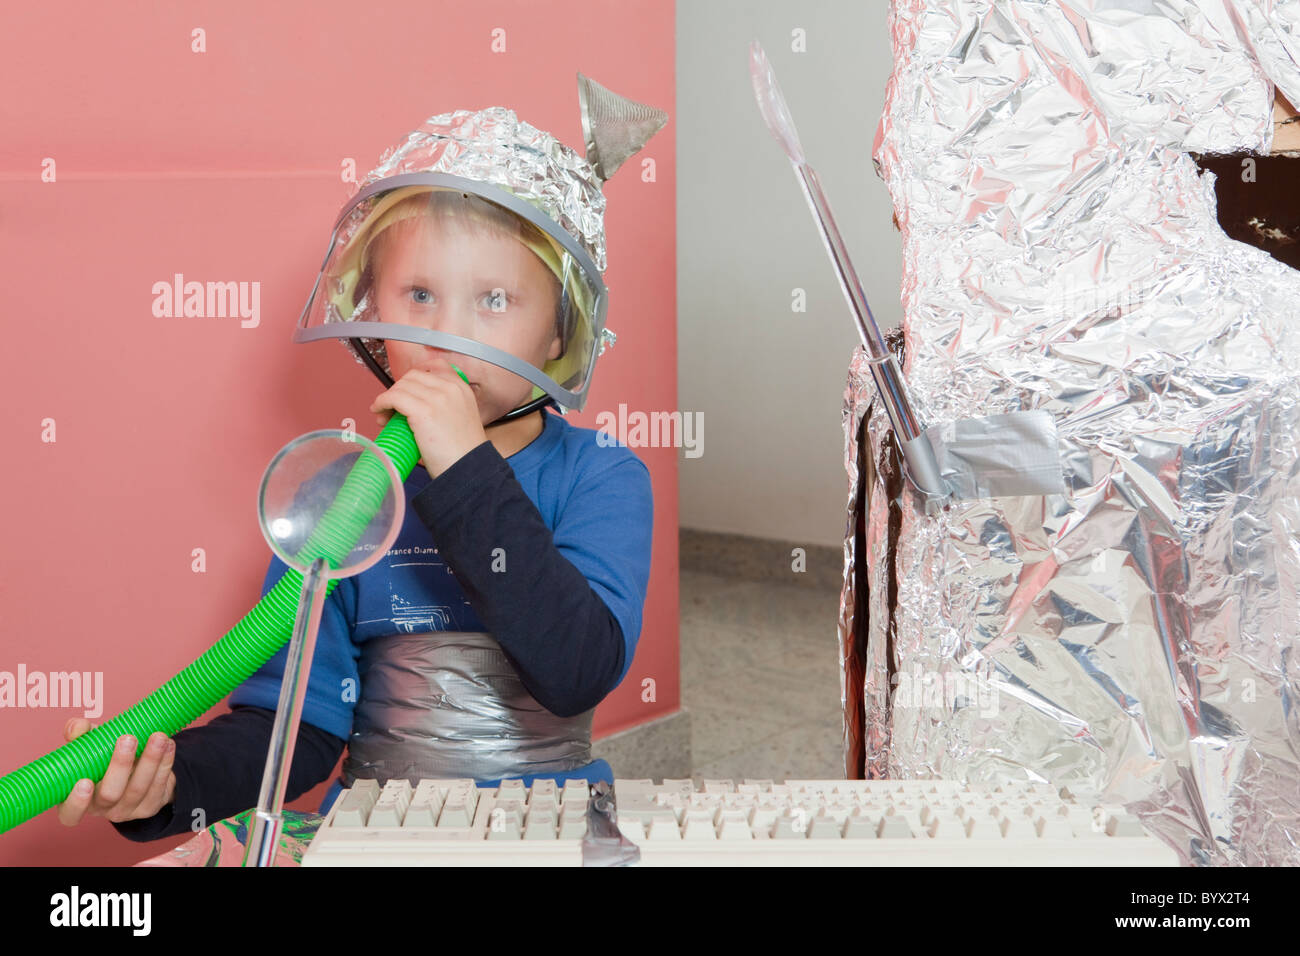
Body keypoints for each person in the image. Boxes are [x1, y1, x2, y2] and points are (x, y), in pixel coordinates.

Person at [56, 75, 668, 840]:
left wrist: (467, 470)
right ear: (372, 316)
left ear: (559, 336)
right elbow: (295, 731)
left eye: (495, 301)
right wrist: (173, 782)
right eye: (418, 295)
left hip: (550, 829)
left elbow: (575, 666)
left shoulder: (603, 477)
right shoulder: (343, 498)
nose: (448, 334)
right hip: (380, 834)